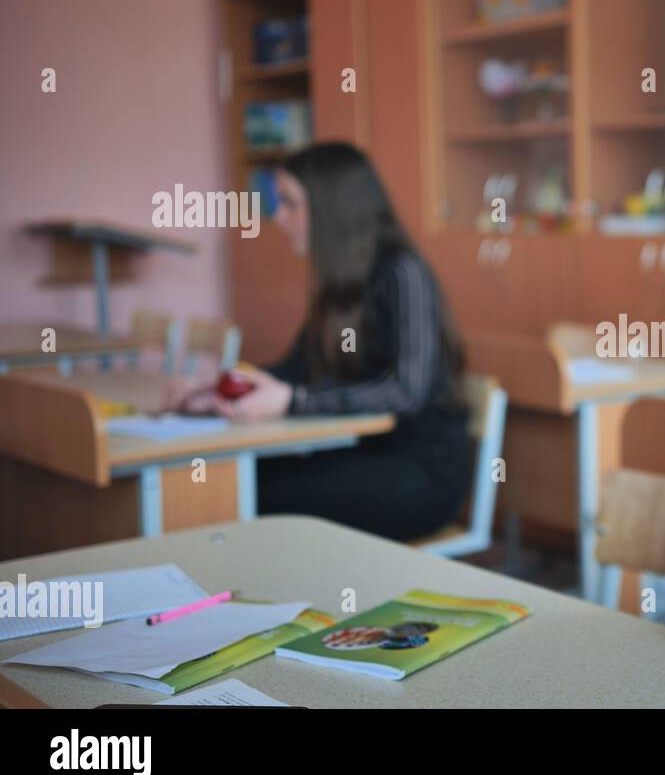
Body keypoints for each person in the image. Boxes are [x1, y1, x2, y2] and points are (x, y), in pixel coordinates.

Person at [169, 143, 472, 541]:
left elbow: (406, 391)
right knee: (233, 477)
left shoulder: (402, 272)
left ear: (333, 209)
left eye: (290, 204)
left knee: (254, 490)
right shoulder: (341, 282)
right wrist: (218, 392)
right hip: (366, 453)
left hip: (421, 471)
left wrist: (295, 402)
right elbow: (294, 369)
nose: (279, 218)